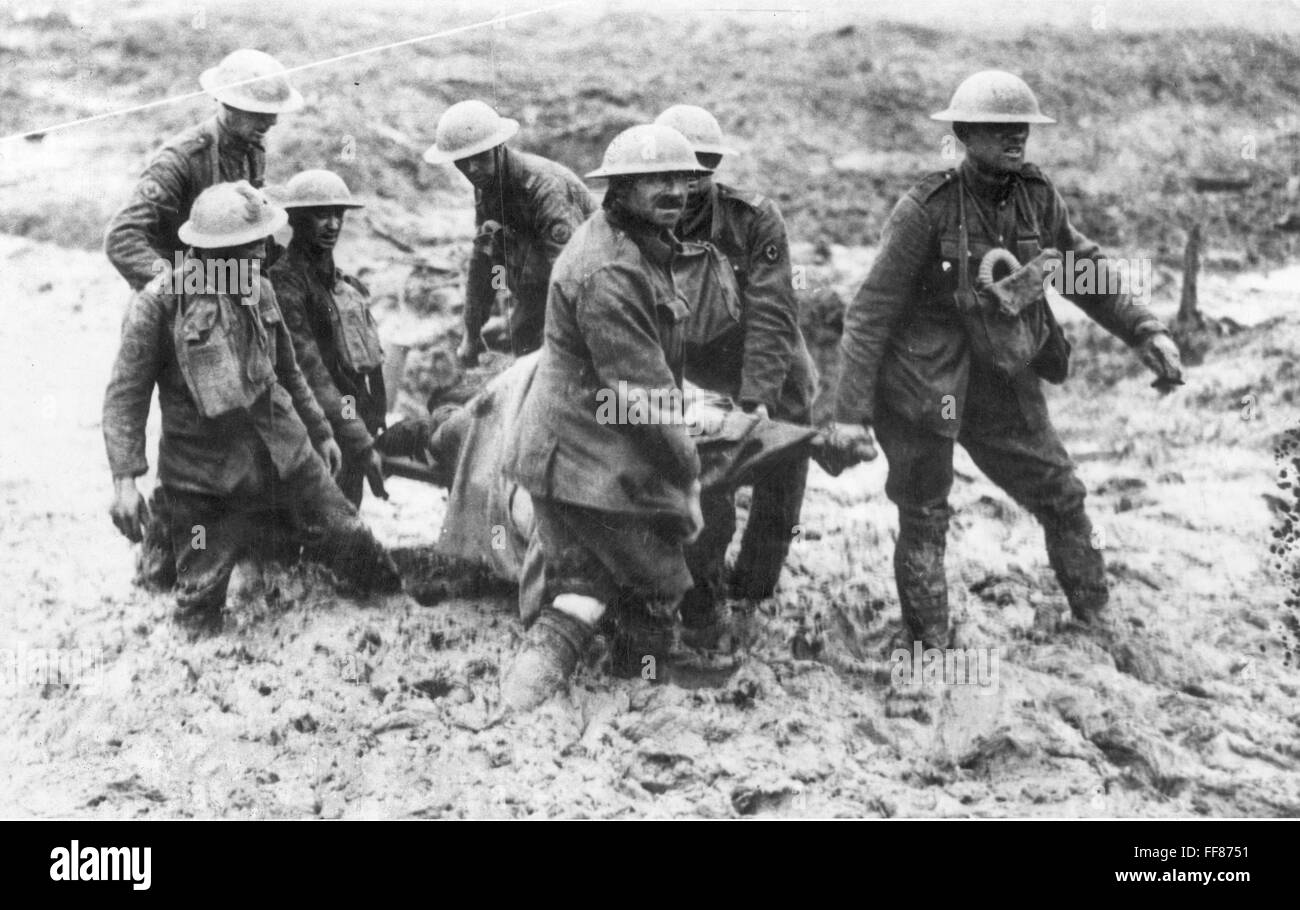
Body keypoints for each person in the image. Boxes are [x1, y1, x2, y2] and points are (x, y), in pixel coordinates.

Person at [829, 70, 1184, 650]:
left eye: (1021, 128)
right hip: (924, 381)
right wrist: (848, 413)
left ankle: (1095, 620)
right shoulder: (926, 208)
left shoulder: (1037, 196)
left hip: (1002, 372)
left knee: (1062, 493)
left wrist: (1144, 330)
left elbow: (1080, 268)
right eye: (998, 129)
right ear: (965, 134)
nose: (1014, 138)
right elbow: (870, 313)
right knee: (923, 513)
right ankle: (930, 647)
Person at [103, 181, 401, 633]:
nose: (264, 252)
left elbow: (289, 369)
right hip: (204, 477)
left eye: (262, 241)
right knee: (197, 609)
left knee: (351, 538)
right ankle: (165, 549)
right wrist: (125, 482)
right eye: (250, 246)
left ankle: (400, 612)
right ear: (214, 252)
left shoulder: (260, 289)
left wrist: (320, 432)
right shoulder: (160, 304)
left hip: (286, 453)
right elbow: (126, 395)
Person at [495, 123, 711, 710]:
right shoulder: (610, 269)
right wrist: (687, 478)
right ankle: (638, 687)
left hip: (575, 451)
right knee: (660, 581)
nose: (673, 190)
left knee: (584, 590)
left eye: (681, 178)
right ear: (619, 188)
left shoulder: (637, 245)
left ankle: (564, 692)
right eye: (654, 180)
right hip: (582, 463)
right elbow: (642, 396)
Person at [655, 104, 818, 626]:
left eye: (704, 168)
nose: (691, 182)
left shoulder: (754, 219)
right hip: (696, 366)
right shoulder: (639, 224)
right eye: (679, 169)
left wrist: (758, 400)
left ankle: (755, 589)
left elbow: (773, 311)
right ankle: (700, 592)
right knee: (707, 483)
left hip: (773, 366)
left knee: (780, 479)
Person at [105, 48, 302, 292]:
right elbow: (122, 238)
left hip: (232, 291)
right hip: (183, 304)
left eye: (273, 112)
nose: (272, 122)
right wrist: (178, 288)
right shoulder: (181, 160)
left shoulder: (253, 149)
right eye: (259, 112)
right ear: (228, 104)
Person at [422, 100, 596, 363]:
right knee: (523, 340)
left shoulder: (545, 188)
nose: (472, 169)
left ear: (499, 148)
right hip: (538, 292)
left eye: (479, 157)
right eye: (462, 162)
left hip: (588, 292)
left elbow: (570, 275)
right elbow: (484, 260)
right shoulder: (487, 186)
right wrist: (471, 332)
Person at [269, 169, 388, 507]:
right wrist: (361, 442)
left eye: (339, 214)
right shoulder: (285, 285)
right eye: (321, 214)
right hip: (315, 433)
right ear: (294, 218)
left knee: (346, 526)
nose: (333, 224)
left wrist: (371, 428)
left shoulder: (340, 283)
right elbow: (311, 372)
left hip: (350, 428)